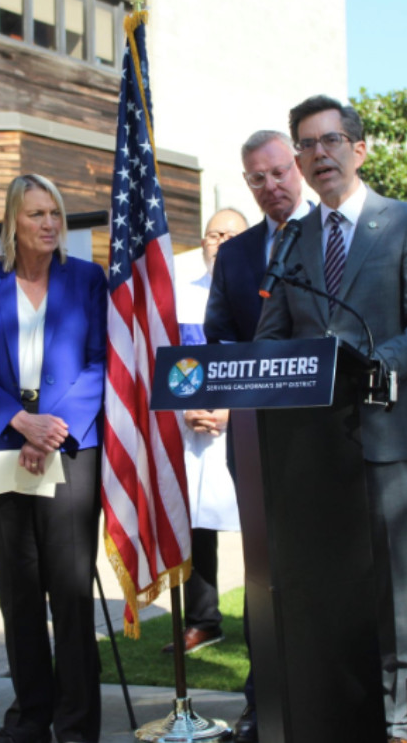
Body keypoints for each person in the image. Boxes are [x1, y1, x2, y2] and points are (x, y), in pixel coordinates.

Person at [254, 95, 407, 743]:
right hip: (311, 447)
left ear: (358, 148)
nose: (318, 154)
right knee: (324, 585)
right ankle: (337, 703)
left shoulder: (406, 224)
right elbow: (273, 334)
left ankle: (397, 716)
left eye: (330, 140)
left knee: (394, 587)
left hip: (385, 430)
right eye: (305, 144)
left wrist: (371, 365)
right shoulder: (292, 239)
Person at [0, 174, 106, 743]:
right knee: (18, 593)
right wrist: (21, 424)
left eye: (55, 214)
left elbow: (99, 363)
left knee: (69, 593)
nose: (48, 224)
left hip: (70, 445)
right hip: (0, 446)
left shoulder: (88, 280)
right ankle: (30, 719)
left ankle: (75, 724)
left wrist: (49, 431)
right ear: (12, 222)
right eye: (36, 214)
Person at [203, 129, 313, 743]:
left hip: (327, 438)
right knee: (264, 574)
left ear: (296, 168)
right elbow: (219, 334)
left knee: (322, 569)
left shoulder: (332, 234)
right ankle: (262, 700)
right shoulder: (240, 254)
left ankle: (324, 695)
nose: (270, 187)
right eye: (256, 179)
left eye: (278, 173)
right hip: (256, 439)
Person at [165, 208, 247, 655]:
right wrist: (186, 409)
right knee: (196, 522)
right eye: (215, 235)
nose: (222, 242)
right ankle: (203, 620)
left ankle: (263, 619)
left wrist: (231, 414)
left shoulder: (261, 292)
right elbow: (171, 361)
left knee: (255, 523)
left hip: (244, 427)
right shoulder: (181, 295)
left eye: (232, 235)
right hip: (193, 429)